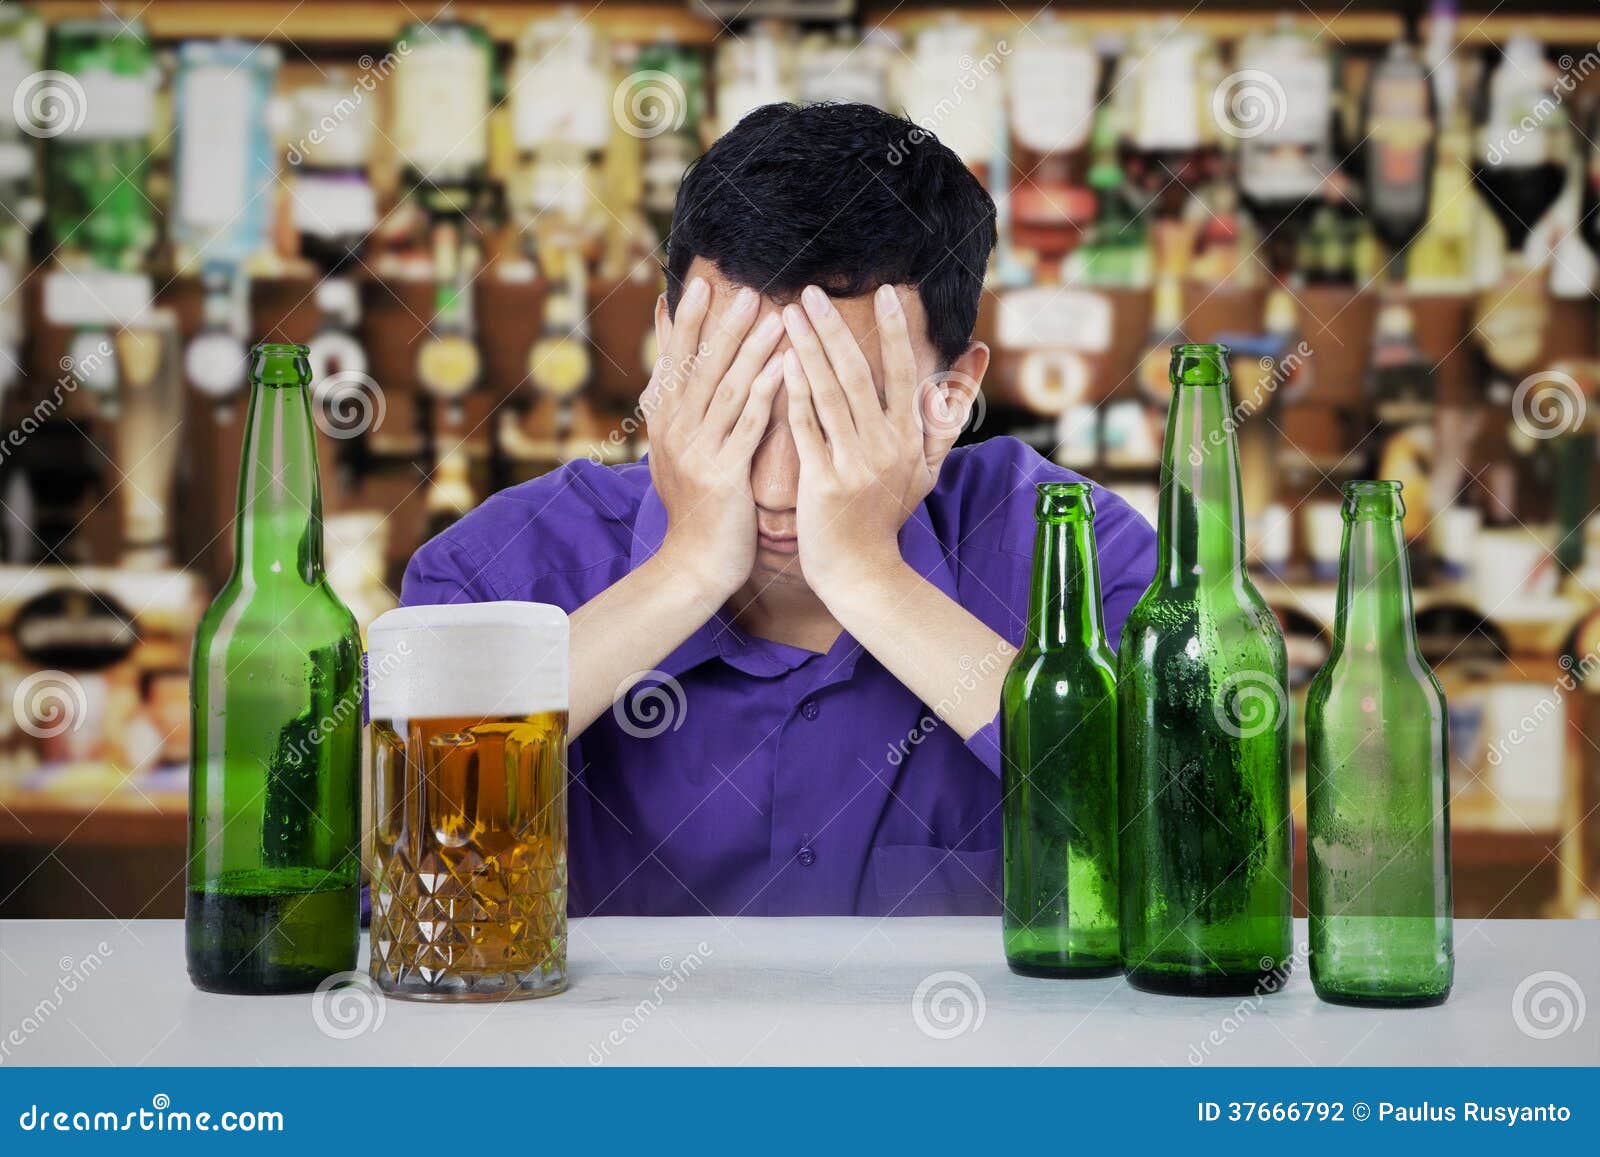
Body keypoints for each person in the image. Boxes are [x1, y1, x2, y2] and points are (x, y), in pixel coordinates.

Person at [402, 102, 1156, 916]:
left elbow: (1190, 843)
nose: (775, 486)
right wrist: (684, 571)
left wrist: (872, 579)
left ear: (951, 398)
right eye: (735, 405)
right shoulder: (495, 573)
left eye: (836, 416)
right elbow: (402, 876)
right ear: (667, 360)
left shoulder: (1075, 557)